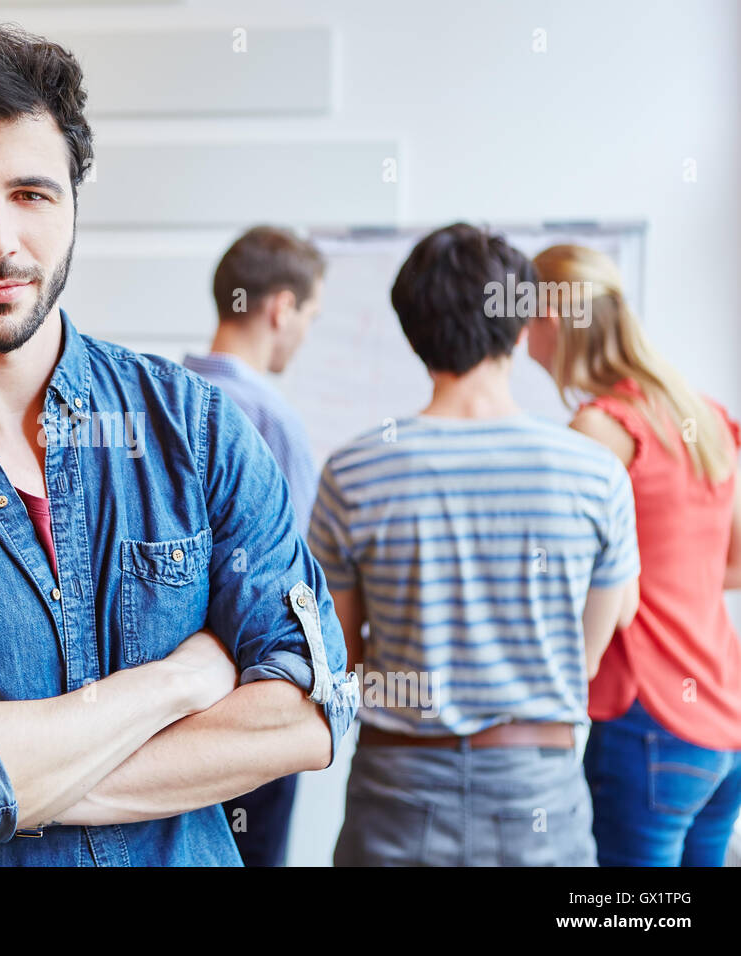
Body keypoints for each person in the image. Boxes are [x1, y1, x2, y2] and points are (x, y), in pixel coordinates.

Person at [0, 19, 359, 867]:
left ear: (75, 203)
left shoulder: (195, 427)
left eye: (33, 194)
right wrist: (183, 680)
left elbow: (310, 712)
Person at [309, 223, 640, 866]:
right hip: (538, 785)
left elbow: (340, 657)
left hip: (397, 785)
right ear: (520, 330)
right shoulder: (596, 473)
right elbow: (585, 662)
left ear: (413, 333)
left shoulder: (354, 470)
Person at [529, 244, 741, 866]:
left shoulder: (600, 429)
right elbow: (734, 563)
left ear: (550, 318)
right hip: (723, 720)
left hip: (649, 721)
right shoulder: (704, 415)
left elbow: (559, 582)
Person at [181, 225, 326, 866]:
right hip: (250, 709)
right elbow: (290, 594)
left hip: (165, 714)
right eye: (310, 316)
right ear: (281, 307)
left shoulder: (162, 398)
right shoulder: (271, 420)